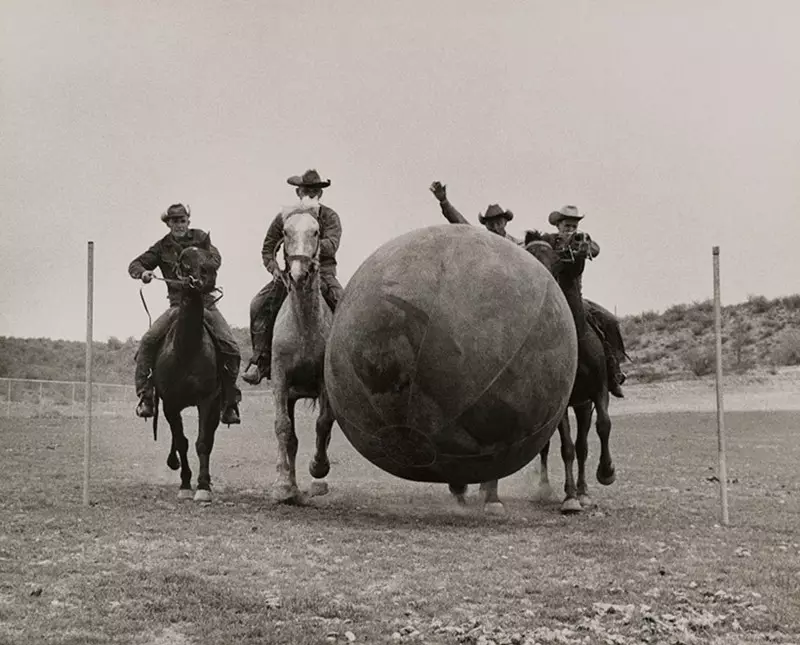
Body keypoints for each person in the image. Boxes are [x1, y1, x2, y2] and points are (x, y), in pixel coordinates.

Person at [128, 203, 242, 424]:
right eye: (174, 221)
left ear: (188, 221)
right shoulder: (161, 247)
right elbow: (135, 264)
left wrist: (199, 259)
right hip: (178, 306)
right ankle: (146, 396)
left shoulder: (201, 238)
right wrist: (143, 273)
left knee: (232, 348)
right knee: (148, 342)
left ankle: (230, 401)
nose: (179, 224)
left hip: (206, 305)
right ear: (168, 223)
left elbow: (216, 259)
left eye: (182, 220)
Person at [242, 169, 343, 385]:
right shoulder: (284, 217)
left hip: (322, 273)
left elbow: (332, 245)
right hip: (290, 275)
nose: (310, 195)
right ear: (298, 192)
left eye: (314, 192)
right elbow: (268, 248)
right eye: (306, 190)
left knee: (344, 305)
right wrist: (275, 269)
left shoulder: (330, 216)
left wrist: (308, 246)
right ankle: (261, 360)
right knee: (258, 305)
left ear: (320, 194)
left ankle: (347, 363)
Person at [534, 205, 627, 398]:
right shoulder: (548, 240)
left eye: (573, 226)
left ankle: (613, 374)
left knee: (610, 321)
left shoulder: (581, 238)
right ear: (558, 225)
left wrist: (583, 247)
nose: (570, 230)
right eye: (567, 226)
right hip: (552, 299)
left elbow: (595, 248)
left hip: (577, 299)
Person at [429, 181, 522, 244]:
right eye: (491, 225)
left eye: (498, 223)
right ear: (486, 226)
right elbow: (462, 224)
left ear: (505, 222)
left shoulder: (518, 246)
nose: (495, 228)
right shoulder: (483, 242)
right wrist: (444, 201)